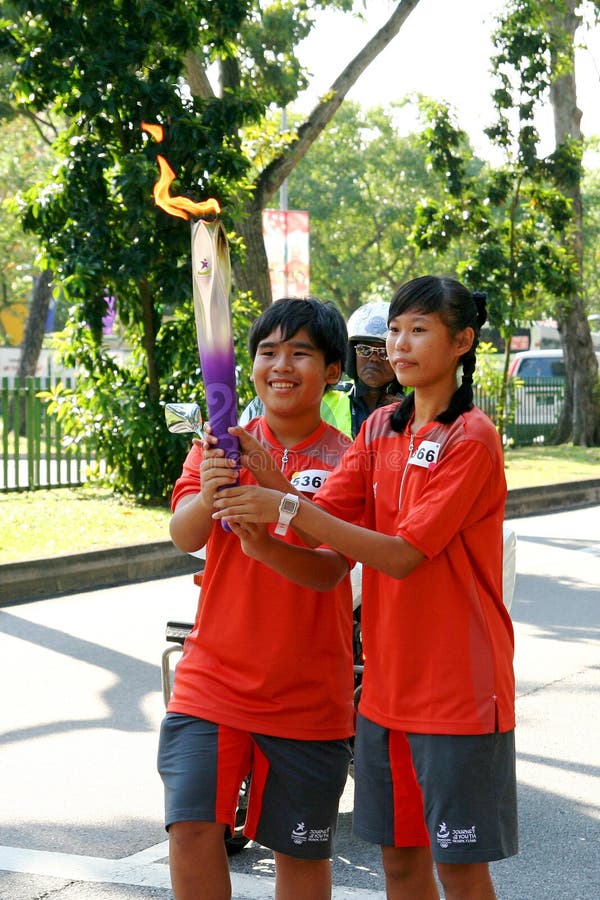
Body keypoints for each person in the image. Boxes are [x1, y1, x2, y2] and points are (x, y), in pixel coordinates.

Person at [213, 276, 518, 900]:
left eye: (419, 331)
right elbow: (327, 523)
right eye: (394, 331)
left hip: (459, 689)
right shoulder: (380, 427)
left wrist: (287, 510)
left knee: (459, 870)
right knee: (400, 866)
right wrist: (265, 478)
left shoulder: (471, 439)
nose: (399, 346)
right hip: (383, 692)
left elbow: (402, 555)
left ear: (461, 342)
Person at [158, 297, 355, 900]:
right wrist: (210, 488)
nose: (282, 365)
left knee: (297, 854)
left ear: (332, 372)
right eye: (269, 351)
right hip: (212, 679)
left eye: (301, 352)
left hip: (307, 694)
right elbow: (185, 535)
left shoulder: (351, 458)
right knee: (192, 831)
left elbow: (329, 572)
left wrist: (281, 492)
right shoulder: (220, 446)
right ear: (249, 368)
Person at [240, 300, 402, 438]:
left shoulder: (417, 406)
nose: (373, 359)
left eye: (383, 353)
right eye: (364, 350)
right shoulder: (318, 396)